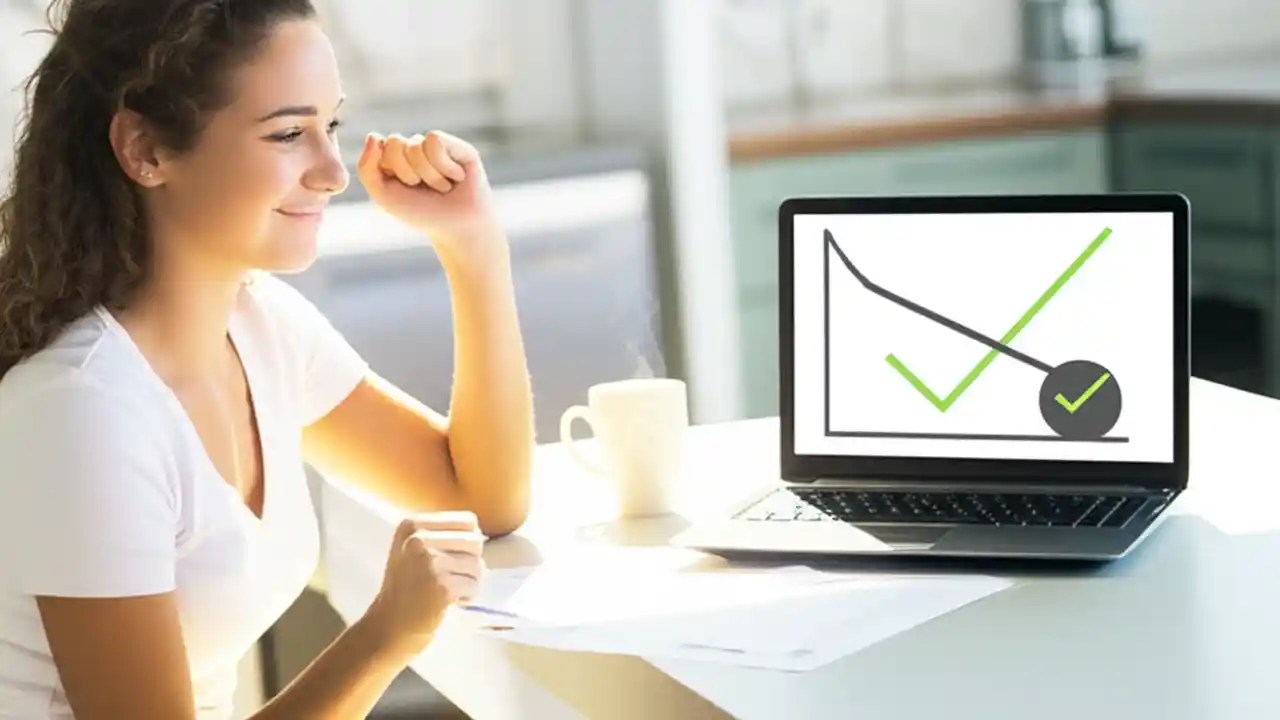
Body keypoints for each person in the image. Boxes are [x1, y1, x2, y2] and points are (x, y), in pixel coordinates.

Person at [0, 0, 535, 717]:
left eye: (331, 125)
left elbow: (477, 496)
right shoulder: (82, 414)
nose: (332, 172)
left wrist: (473, 247)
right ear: (145, 151)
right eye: (288, 133)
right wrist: (383, 635)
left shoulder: (260, 327)